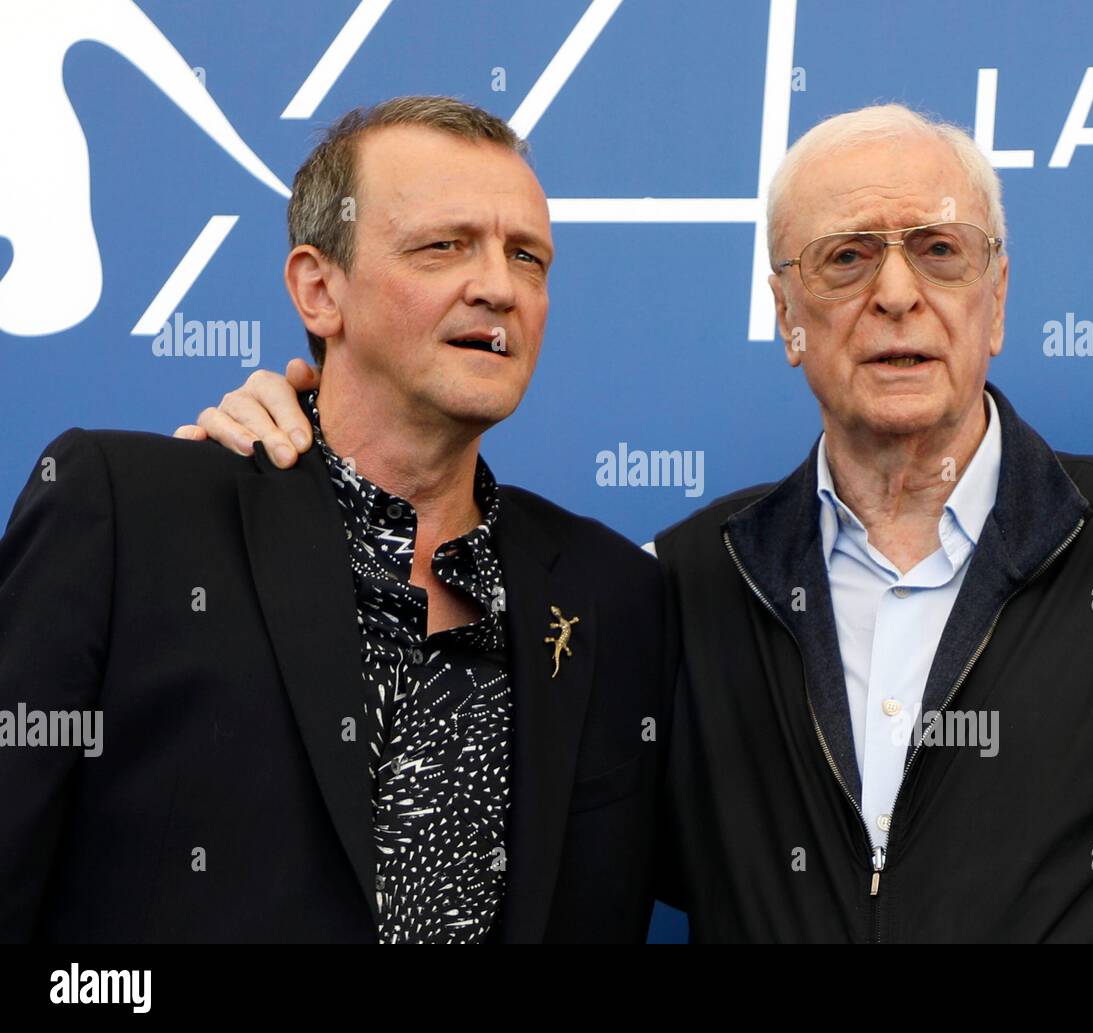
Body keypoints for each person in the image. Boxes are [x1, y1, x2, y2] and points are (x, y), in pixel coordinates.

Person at [180, 103, 1093, 943]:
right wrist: (293, 460)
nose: (898, 296)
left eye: (941, 250)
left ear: (995, 299)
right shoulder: (674, 587)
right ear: (784, 314)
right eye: (847, 258)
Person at [0, 97, 671, 944]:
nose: (500, 287)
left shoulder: (615, 595)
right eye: (444, 245)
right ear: (320, 289)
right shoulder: (131, 514)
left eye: (528, 258)